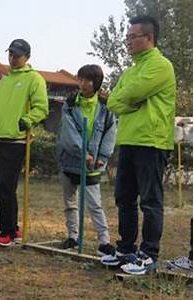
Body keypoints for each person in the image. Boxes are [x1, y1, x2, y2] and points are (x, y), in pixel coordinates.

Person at [100, 15, 177, 275]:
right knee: (124, 198)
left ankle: (148, 254)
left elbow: (129, 94)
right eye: (127, 37)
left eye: (133, 37)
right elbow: (113, 102)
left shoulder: (160, 65)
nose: (128, 41)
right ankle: (126, 249)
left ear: (149, 38)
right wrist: (127, 100)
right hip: (129, 140)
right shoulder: (131, 70)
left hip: (152, 141)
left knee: (150, 200)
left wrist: (127, 99)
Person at [0, 39, 48, 247]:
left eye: (17, 55)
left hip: (17, 140)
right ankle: (11, 227)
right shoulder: (3, 81)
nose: (12, 58)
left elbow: (41, 107)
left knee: (6, 185)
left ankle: (8, 231)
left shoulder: (34, 79)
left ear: (27, 57)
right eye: (10, 54)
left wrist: (27, 121)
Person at [56, 64, 116, 256]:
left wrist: (103, 156)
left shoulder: (106, 107)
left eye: (86, 80)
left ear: (96, 82)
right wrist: (82, 152)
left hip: (92, 164)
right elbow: (68, 132)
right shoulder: (71, 104)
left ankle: (104, 241)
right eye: (79, 79)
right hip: (70, 161)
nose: (81, 83)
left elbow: (110, 132)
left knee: (94, 204)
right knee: (70, 202)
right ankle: (73, 236)